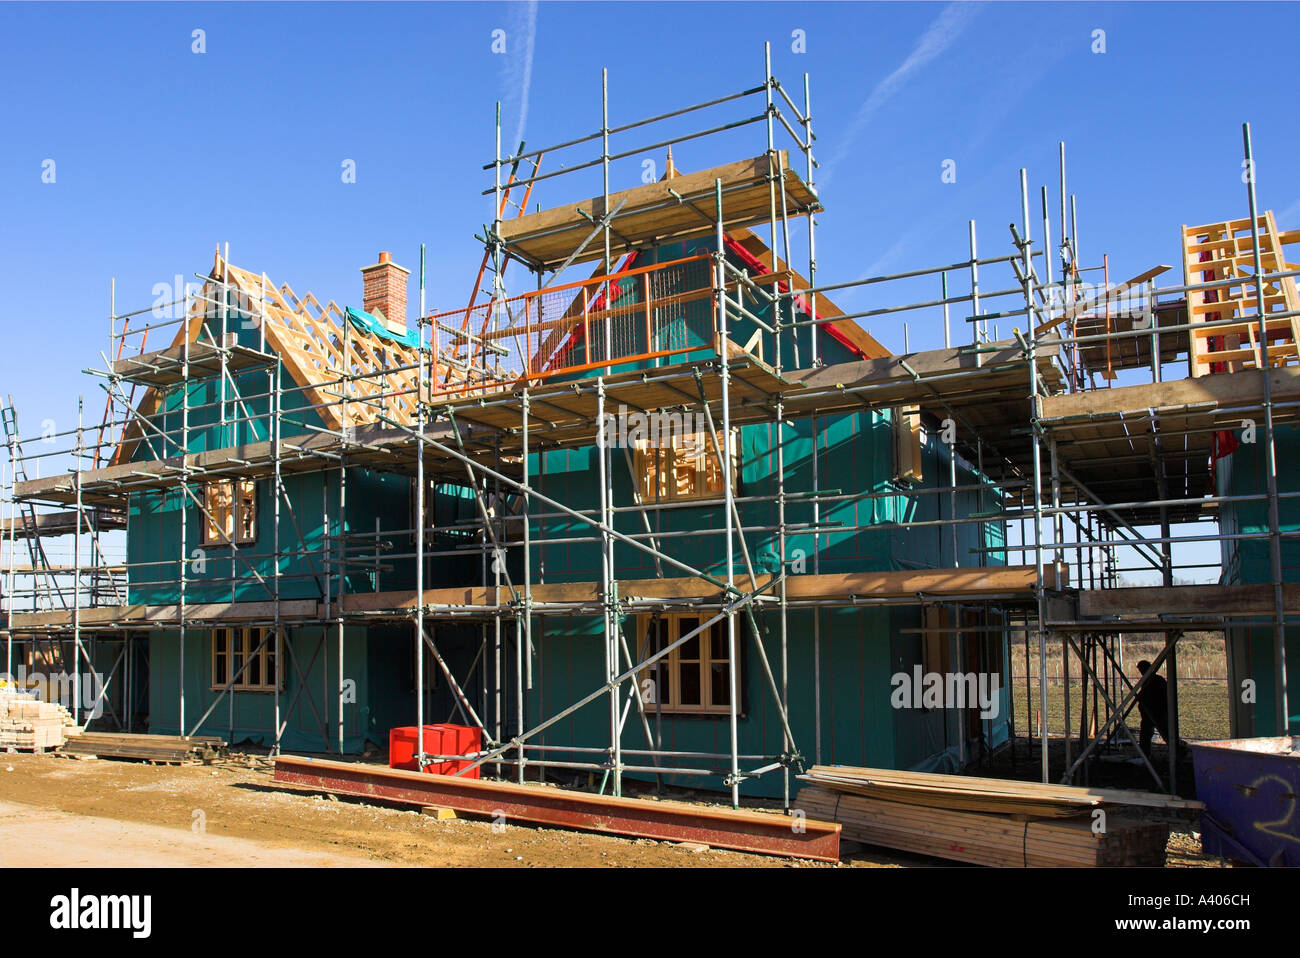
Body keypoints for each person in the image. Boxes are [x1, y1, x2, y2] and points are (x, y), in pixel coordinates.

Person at [1135, 660, 1186, 761]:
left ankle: (1180, 750)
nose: (1141, 671)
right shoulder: (1148, 680)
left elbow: (1161, 696)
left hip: (1157, 712)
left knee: (1165, 734)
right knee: (1147, 735)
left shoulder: (1156, 680)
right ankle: (1146, 755)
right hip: (1149, 713)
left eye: (1142, 669)